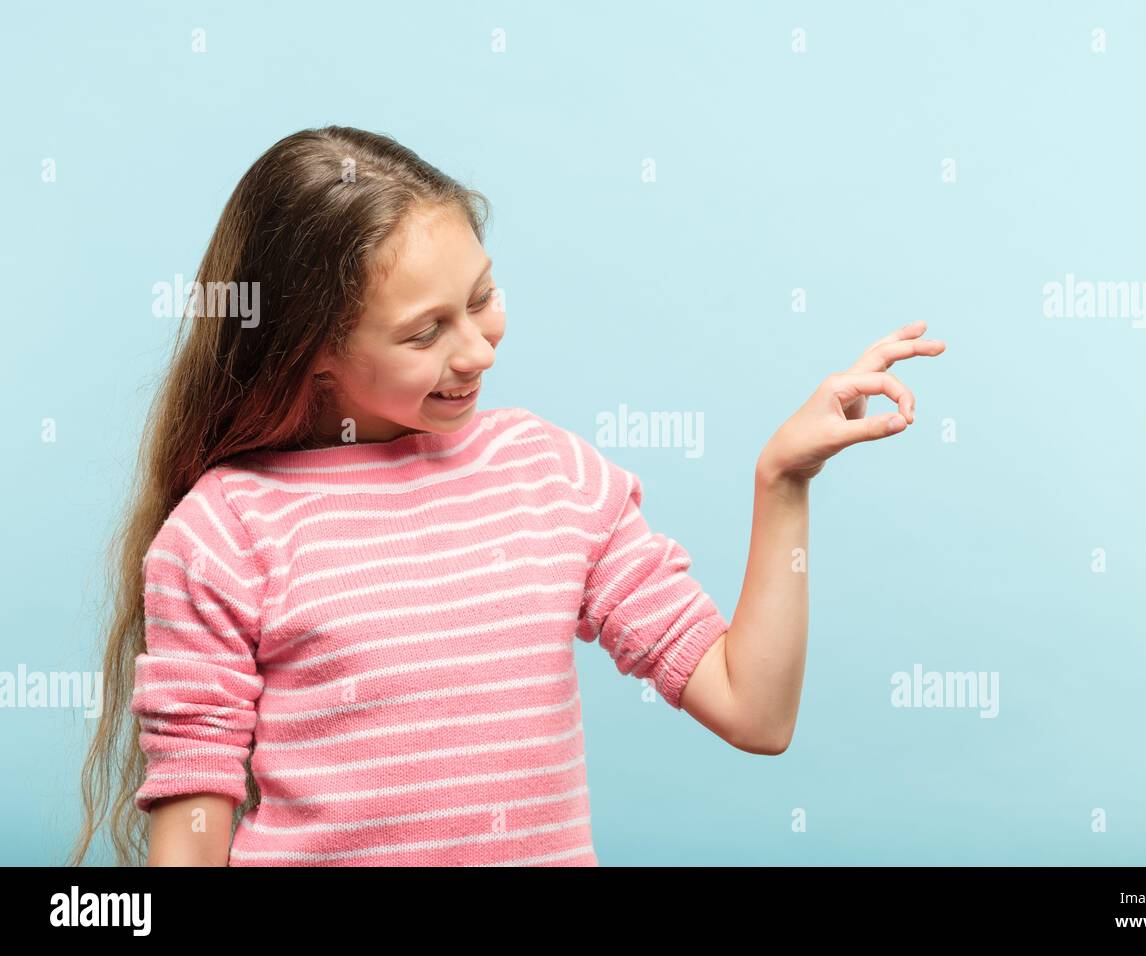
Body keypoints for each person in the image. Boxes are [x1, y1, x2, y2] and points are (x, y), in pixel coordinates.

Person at [69, 125, 945, 867]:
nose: (478, 350)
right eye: (425, 332)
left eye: (481, 298)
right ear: (313, 353)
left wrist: (782, 481)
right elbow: (192, 837)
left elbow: (754, 709)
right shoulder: (223, 533)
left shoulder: (550, 477)